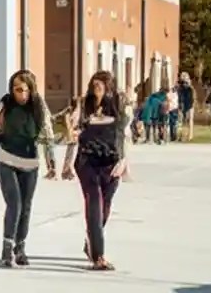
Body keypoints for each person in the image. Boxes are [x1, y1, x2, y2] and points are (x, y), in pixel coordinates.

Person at [0, 70, 57, 268]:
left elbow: (48, 134)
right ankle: (7, 249)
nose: (22, 94)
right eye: (17, 90)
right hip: (6, 160)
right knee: (14, 204)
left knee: (26, 206)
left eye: (25, 90)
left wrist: (51, 162)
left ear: (32, 89)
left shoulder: (39, 106)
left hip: (30, 163)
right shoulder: (5, 104)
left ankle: (20, 248)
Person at [63, 70, 130, 272]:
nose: (97, 88)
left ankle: (91, 240)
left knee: (105, 207)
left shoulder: (119, 105)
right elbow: (73, 132)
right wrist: (67, 162)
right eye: (94, 85)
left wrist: (124, 161)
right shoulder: (84, 105)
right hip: (87, 161)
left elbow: (125, 136)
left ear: (109, 88)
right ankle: (98, 256)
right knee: (94, 203)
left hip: (111, 162)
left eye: (101, 85)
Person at [176, 73, 196, 142]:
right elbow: (178, 93)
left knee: (190, 120)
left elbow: (193, 94)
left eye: (184, 77)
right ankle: (180, 135)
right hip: (182, 104)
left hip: (190, 104)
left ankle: (190, 135)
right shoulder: (180, 87)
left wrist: (187, 83)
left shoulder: (190, 87)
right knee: (181, 121)